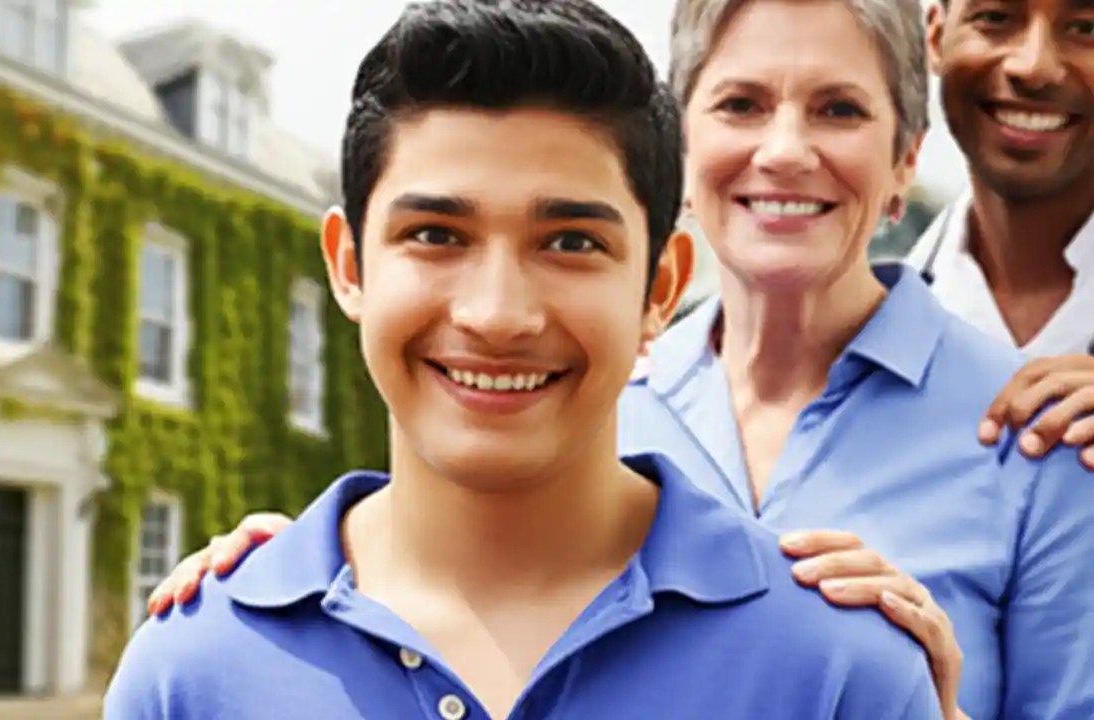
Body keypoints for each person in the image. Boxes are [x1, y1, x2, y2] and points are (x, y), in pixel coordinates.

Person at [141, 1, 1094, 719]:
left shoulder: (1040, 431)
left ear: (904, 162)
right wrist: (272, 592)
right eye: (741, 104)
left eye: (840, 109)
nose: (499, 315)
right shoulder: (201, 656)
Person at [915, 0, 1094, 468]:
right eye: (995, 18)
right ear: (936, 38)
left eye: (1087, 28)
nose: (1033, 67)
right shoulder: (849, 338)